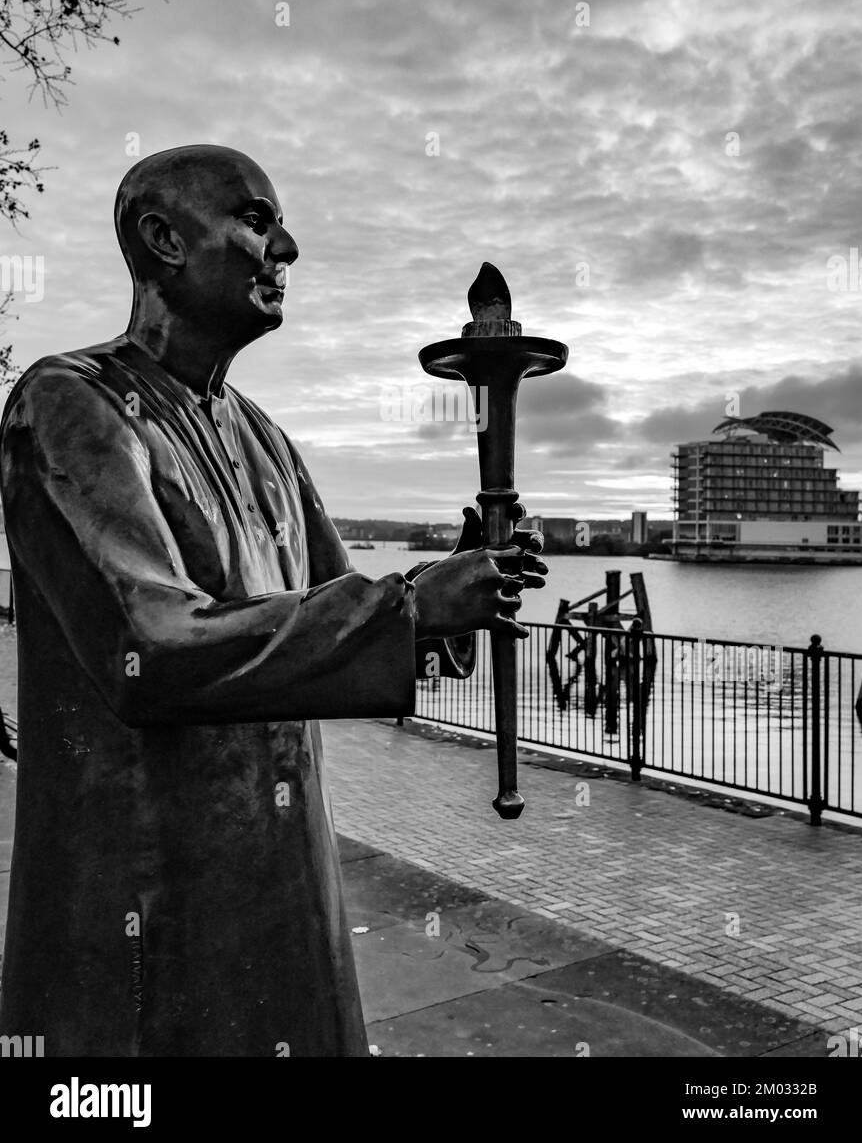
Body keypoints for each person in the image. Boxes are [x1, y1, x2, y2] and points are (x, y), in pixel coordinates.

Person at [0, 144, 546, 1057]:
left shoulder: (264, 437)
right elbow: (155, 650)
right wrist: (407, 609)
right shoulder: (68, 403)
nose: (286, 248)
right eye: (257, 222)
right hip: (147, 904)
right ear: (163, 240)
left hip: (286, 891)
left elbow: (350, 608)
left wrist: (462, 584)